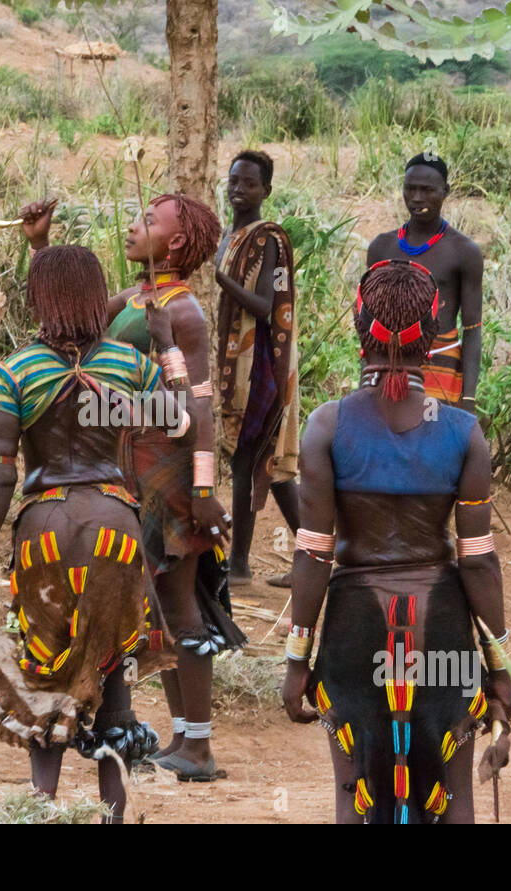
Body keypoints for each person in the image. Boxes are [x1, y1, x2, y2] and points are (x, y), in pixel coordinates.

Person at [0, 245, 183, 822]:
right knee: (115, 675)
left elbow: (0, 475)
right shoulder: (128, 364)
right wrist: (168, 344)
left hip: (44, 529)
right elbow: (179, 420)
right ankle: (111, 817)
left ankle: (42, 809)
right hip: (114, 525)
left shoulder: (18, 370)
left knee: (42, 673)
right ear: (96, 296)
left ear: (38, 299)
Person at [281, 259, 511, 823]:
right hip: (440, 623)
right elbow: (478, 564)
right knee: (452, 791)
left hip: (355, 627)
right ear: (434, 335)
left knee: (354, 793)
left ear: (359, 325)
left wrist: (295, 658)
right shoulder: (462, 431)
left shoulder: (327, 426)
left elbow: (313, 553)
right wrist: (500, 662)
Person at [20, 193, 242, 782]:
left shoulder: (183, 312)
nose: (131, 227)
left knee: (179, 605)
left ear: (173, 243)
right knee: (159, 610)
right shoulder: (136, 300)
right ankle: (178, 738)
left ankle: (196, 745)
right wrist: (43, 249)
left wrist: (202, 487)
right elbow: (71, 321)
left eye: (147, 221)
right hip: (130, 474)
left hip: (166, 473)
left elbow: (198, 408)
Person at [214, 150, 300, 588]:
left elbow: (266, 308)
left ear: (266, 190)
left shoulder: (266, 238)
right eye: (233, 180)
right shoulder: (230, 233)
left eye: (249, 183)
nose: (238, 189)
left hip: (262, 361)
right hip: (242, 359)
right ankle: (313, 555)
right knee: (264, 461)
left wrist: (221, 279)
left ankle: (241, 564)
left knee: (249, 460)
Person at [366, 154, 483, 411]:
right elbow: (368, 323)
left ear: (445, 191)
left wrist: (469, 398)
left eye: (427, 190)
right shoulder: (381, 247)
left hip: (440, 367)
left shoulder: (463, 251)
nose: (417, 198)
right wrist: (368, 376)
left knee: (432, 445)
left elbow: (472, 328)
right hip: (387, 365)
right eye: (410, 189)